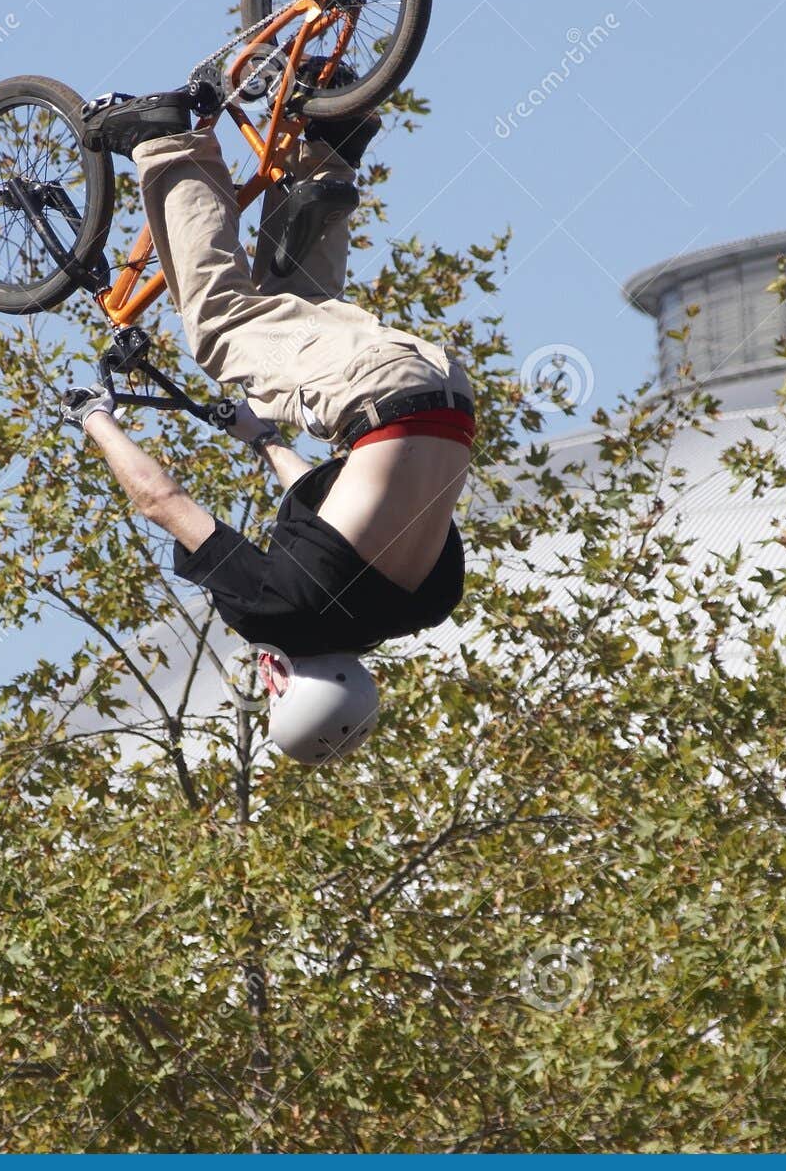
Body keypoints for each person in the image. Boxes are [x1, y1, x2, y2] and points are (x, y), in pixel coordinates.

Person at [60, 78, 476, 766]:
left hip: (442, 391)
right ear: (282, 682)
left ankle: (327, 149)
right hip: (373, 392)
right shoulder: (273, 614)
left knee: (287, 319)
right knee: (222, 331)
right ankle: (164, 139)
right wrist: (96, 420)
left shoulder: (419, 607)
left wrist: (266, 441)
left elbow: (345, 506)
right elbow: (164, 502)